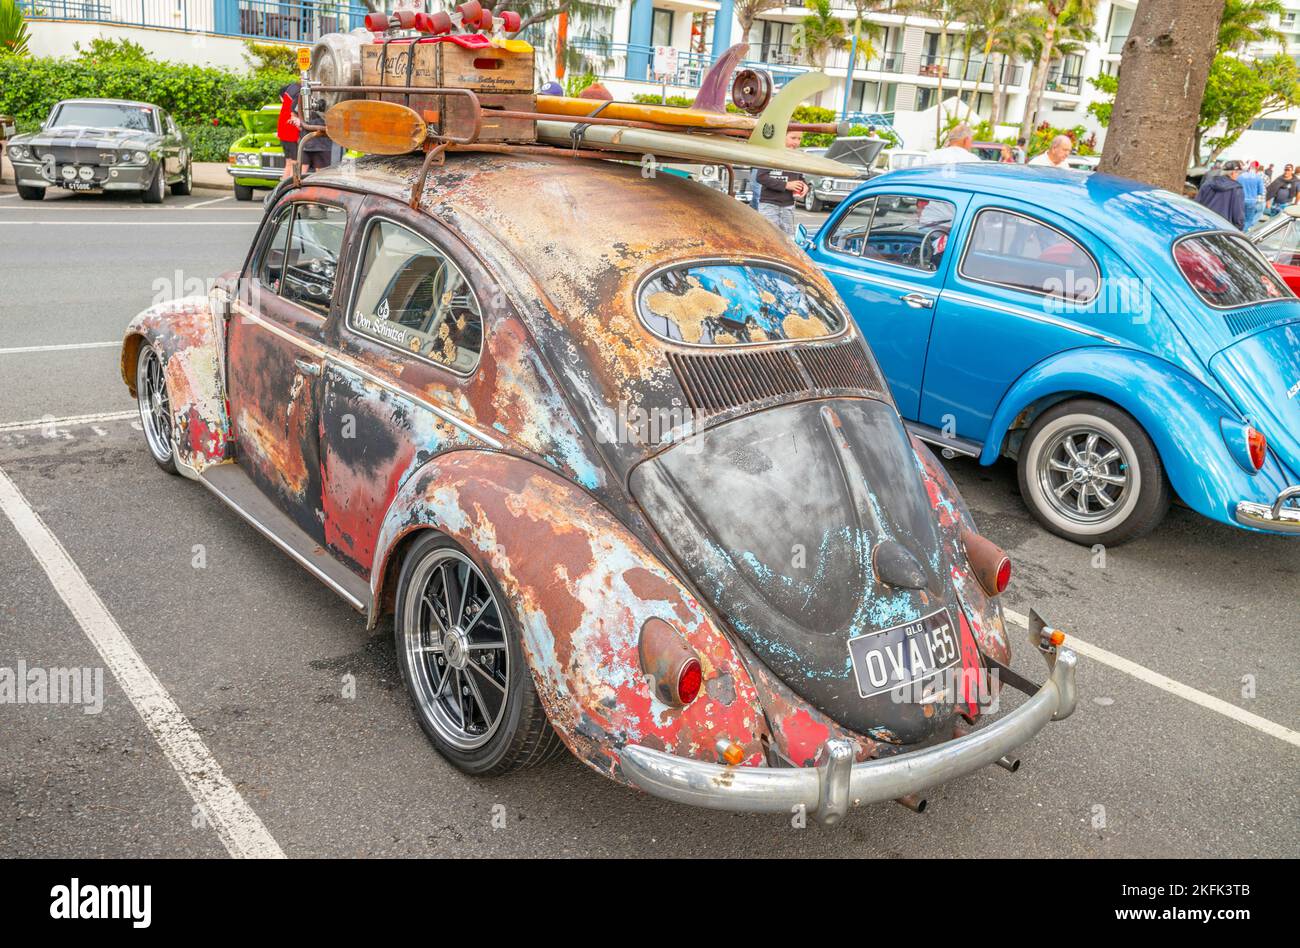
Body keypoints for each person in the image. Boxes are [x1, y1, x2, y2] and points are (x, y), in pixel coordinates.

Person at [755, 130, 808, 235]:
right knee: (769, 236)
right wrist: (786, 185)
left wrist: (804, 185)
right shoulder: (771, 154)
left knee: (788, 238)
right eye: (793, 138)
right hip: (769, 204)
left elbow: (800, 177)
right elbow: (761, 177)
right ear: (782, 137)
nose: (796, 142)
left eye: (799, 139)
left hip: (789, 205)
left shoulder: (797, 157)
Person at [1195, 158, 1245, 229]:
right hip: (1221, 229)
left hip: (1203, 224)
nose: (1238, 175)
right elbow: (1238, 214)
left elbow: (1196, 203)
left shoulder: (1208, 182)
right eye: (1238, 173)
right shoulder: (1237, 189)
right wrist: (1239, 228)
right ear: (1233, 173)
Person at [1240, 161, 1266, 230]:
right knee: (1248, 220)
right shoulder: (1258, 178)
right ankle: (1242, 234)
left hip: (1240, 200)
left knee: (1240, 218)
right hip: (1251, 201)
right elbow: (1261, 192)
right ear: (1257, 168)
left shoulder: (1240, 176)